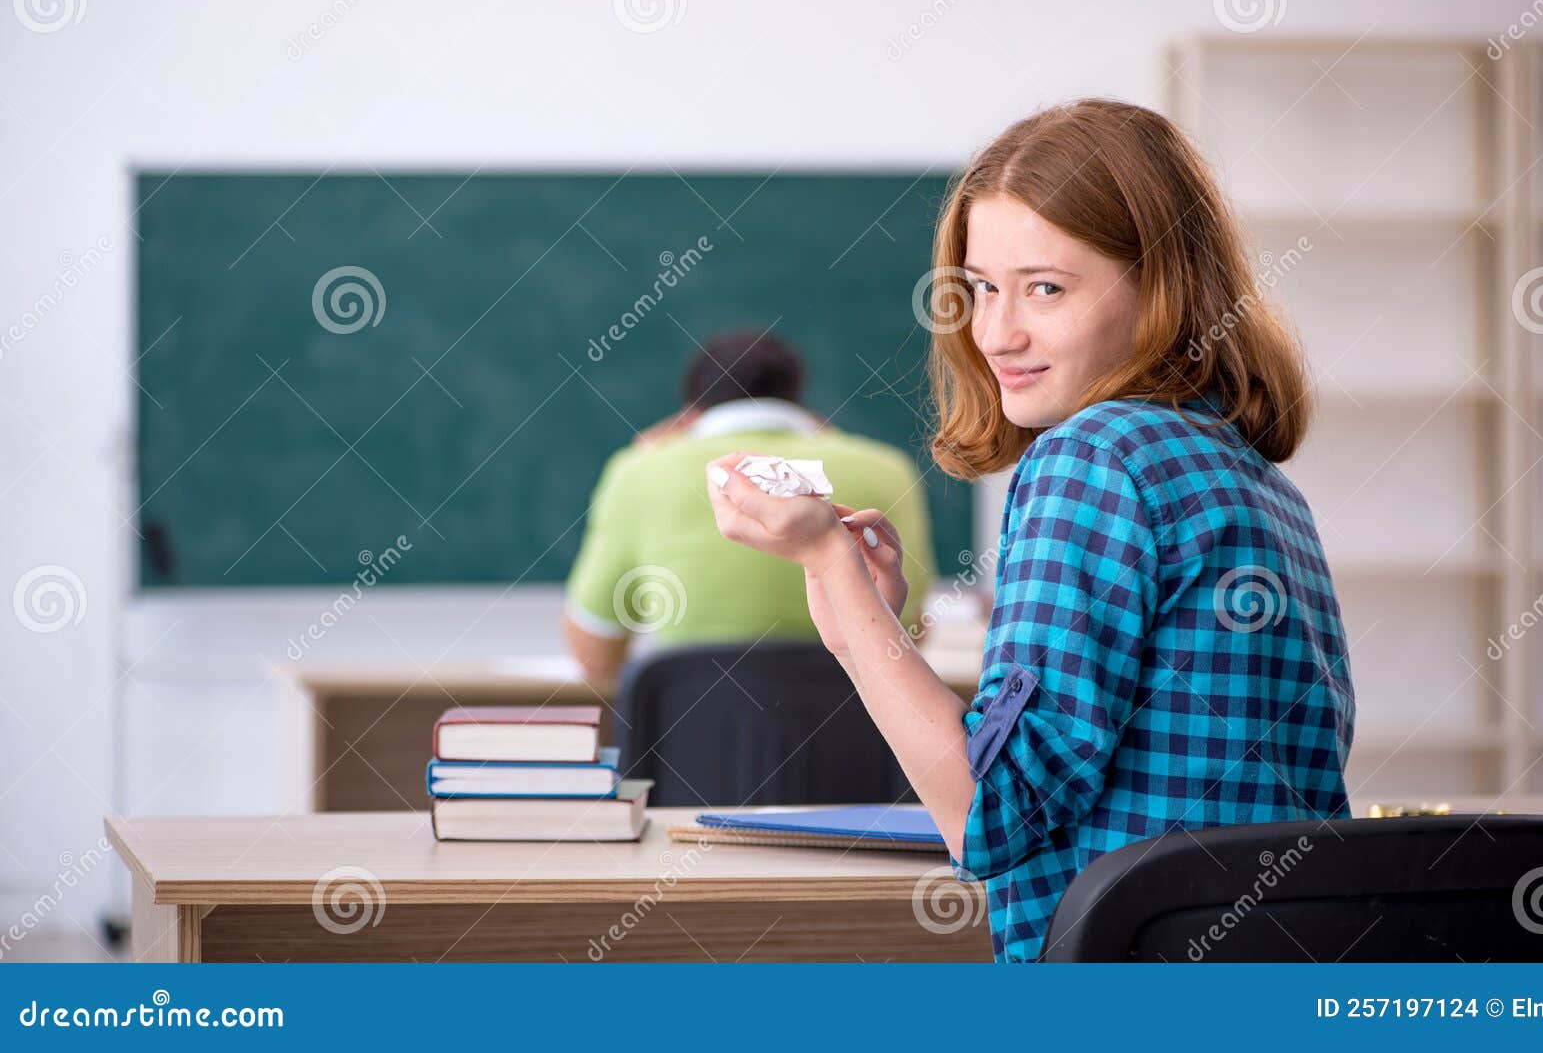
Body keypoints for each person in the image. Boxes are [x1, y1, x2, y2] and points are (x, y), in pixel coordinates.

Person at [707, 99, 1355, 963]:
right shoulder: (1249, 474)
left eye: (1046, 288)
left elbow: (989, 817)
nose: (997, 333)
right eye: (979, 290)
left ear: (1161, 287)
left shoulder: (1094, 456)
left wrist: (828, 556)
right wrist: (855, 611)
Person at [563, 329, 935, 687]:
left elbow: (596, 654)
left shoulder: (637, 471)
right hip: (856, 740)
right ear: (797, 394)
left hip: (691, 737)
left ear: (691, 410)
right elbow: (909, 631)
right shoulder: (887, 469)